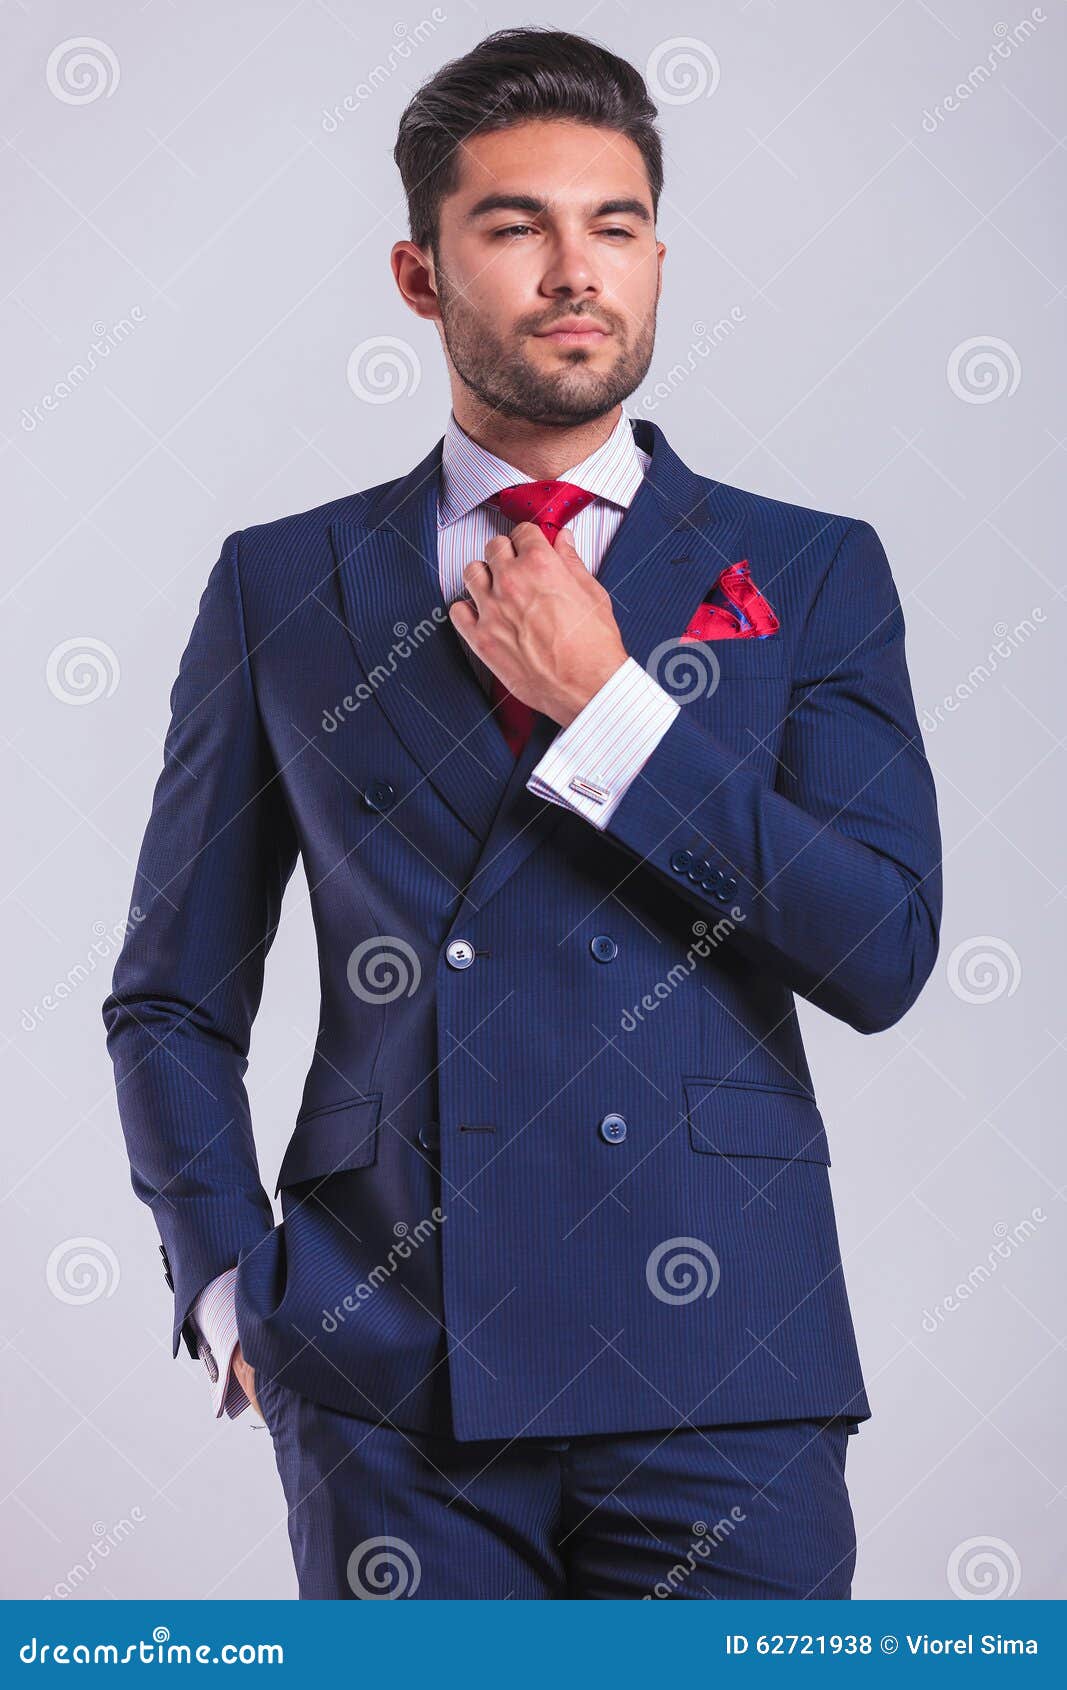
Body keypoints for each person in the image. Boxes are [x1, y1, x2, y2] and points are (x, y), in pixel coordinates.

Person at [104, 26, 942, 1599]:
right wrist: (234, 1292)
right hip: (391, 1380)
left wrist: (615, 706)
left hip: (726, 1376)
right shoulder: (284, 585)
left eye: (613, 226)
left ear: (659, 259)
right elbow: (168, 994)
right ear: (422, 277)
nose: (576, 270)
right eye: (516, 226)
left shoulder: (818, 568)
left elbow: (883, 949)